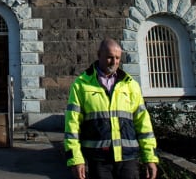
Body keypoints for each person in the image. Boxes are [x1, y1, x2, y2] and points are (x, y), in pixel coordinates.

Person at [64, 38, 159, 179]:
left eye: (117, 58)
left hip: (128, 159)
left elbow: (143, 123)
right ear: (99, 55)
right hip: (98, 160)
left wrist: (150, 157)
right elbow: (72, 126)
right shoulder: (81, 85)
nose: (114, 62)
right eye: (109, 57)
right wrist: (76, 159)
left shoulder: (130, 85)